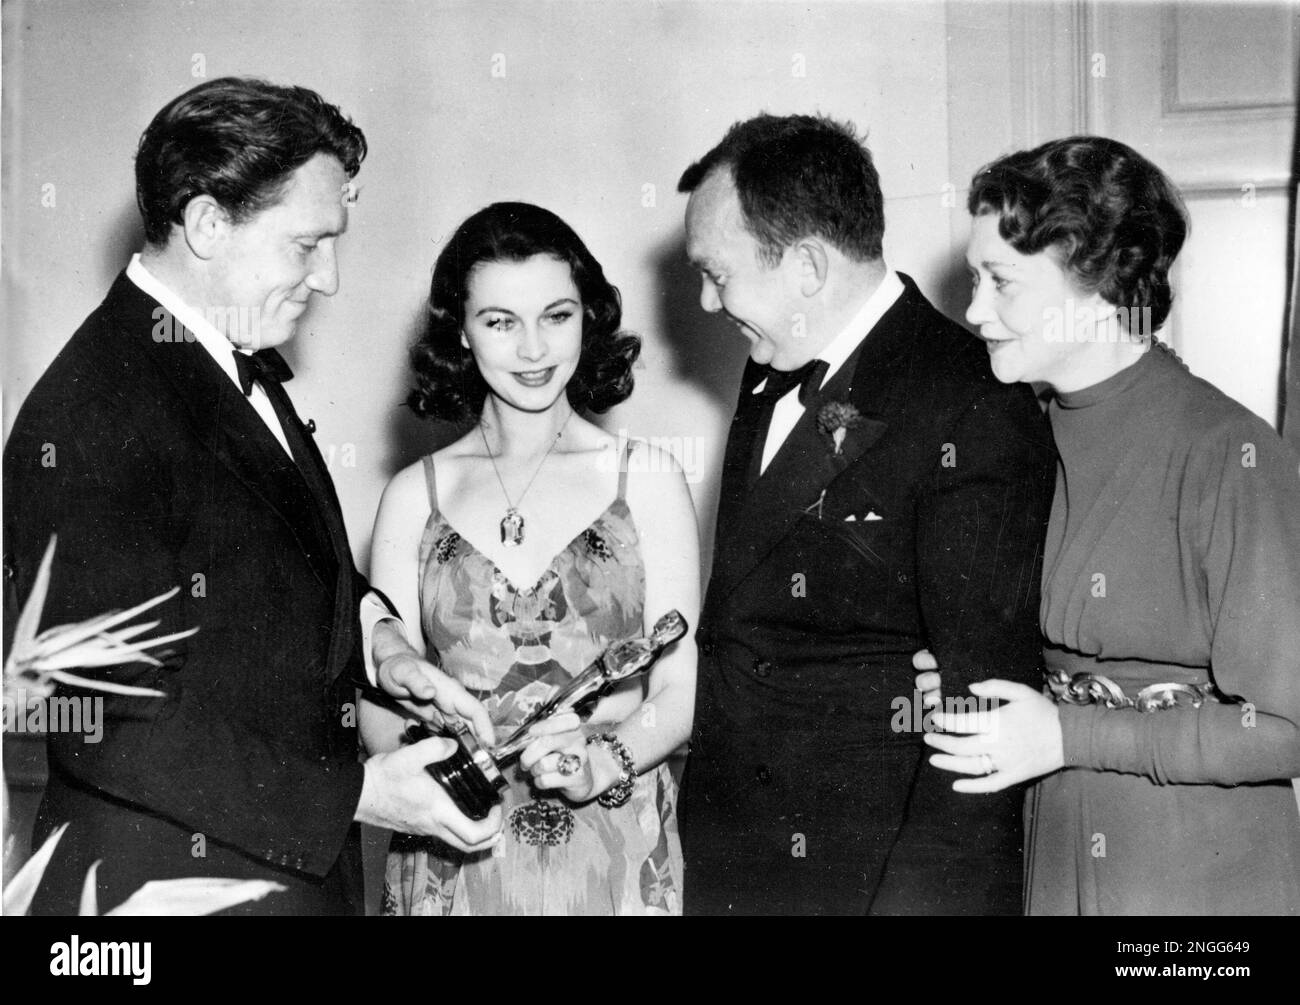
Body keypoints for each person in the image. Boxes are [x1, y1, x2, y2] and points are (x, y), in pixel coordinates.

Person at [2, 77, 501, 917]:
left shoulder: (231, 361)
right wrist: (360, 797)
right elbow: (107, 721)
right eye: (307, 245)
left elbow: (282, 568)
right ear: (205, 224)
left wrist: (385, 651)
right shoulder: (91, 410)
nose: (330, 278)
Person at [676, 114, 1057, 915]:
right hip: (739, 869)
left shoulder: (972, 404)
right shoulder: (769, 368)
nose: (707, 302)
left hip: (871, 884)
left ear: (807, 266)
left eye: (718, 274)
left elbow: (979, 725)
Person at [921, 135, 1300, 915]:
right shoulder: (1012, 436)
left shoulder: (1228, 453)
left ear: (1096, 289)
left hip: (1198, 872)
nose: (973, 310)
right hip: (1058, 835)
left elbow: (1287, 724)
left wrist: (1071, 735)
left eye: (1003, 282)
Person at [359, 202, 699, 916]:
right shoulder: (414, 495)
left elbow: (678, 693)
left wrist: (598, 761)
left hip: (617, 858)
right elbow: (379, 711)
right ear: (460, 329)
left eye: (557, 315)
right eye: (500, 322)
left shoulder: (647, 479)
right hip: (455, 857)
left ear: (588, 316)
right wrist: (446, 772)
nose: (535, 349)